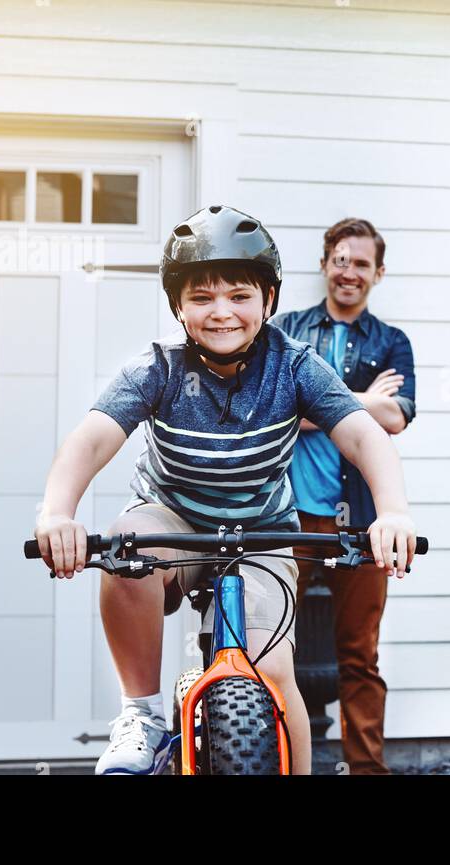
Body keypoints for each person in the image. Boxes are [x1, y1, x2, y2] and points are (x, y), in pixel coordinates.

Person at [32, 205, 416, 775]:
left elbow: (364, 435)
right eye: (202, 297)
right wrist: (56, 511)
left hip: (260, 533)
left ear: (267, 299)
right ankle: (141, 715)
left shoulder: (294, 365)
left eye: (239, 295)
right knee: (123, 546)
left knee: (276, 675)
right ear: (178, 306)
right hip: (175, 521)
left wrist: (392, 512)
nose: (222, 312)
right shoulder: (158, 366)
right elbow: (90, 440)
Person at [278, 217, 416, 775]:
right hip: (286, 517)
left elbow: (395, 418)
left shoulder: (391, 342)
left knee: (359, 656)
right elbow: (279, 407)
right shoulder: (285, 331)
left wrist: (320, 404)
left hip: (360, 521)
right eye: (341, 259)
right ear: (324, 264)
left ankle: (367, 771)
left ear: (378, 273)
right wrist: (360, 399)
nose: (349, 272)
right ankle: (272, 762)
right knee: (269, 647)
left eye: (361, 263)